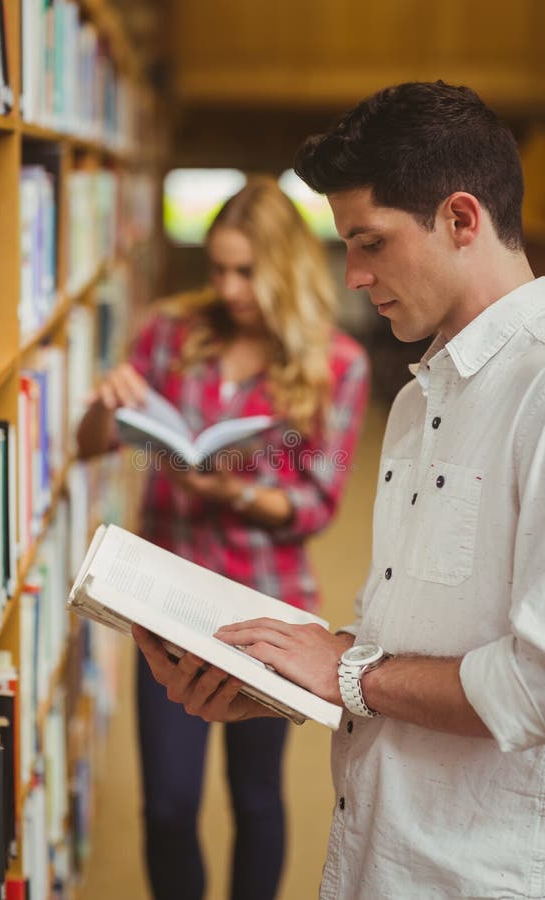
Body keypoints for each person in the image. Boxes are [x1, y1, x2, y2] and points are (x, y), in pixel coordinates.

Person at [133, 81, 545, 899]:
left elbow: (534, 684)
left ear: (462, 220)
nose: (352, 276)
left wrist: (348, 674)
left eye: (371, 242)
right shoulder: (427, 390)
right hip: (380, 857)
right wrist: (282, 674)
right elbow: (424, 629)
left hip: (473, 872)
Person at [77, 175, 369, 900]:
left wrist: (230, 488)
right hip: (166, 596)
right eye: (219, 268)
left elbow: (320, 499)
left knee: (256, 796)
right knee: (169, 805)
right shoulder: (172, 331)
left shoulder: (337, 364)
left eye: (248, 270)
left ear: (286, 266)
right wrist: (101, 406)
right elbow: (91, 447)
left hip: (267, 607)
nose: (231, 288)